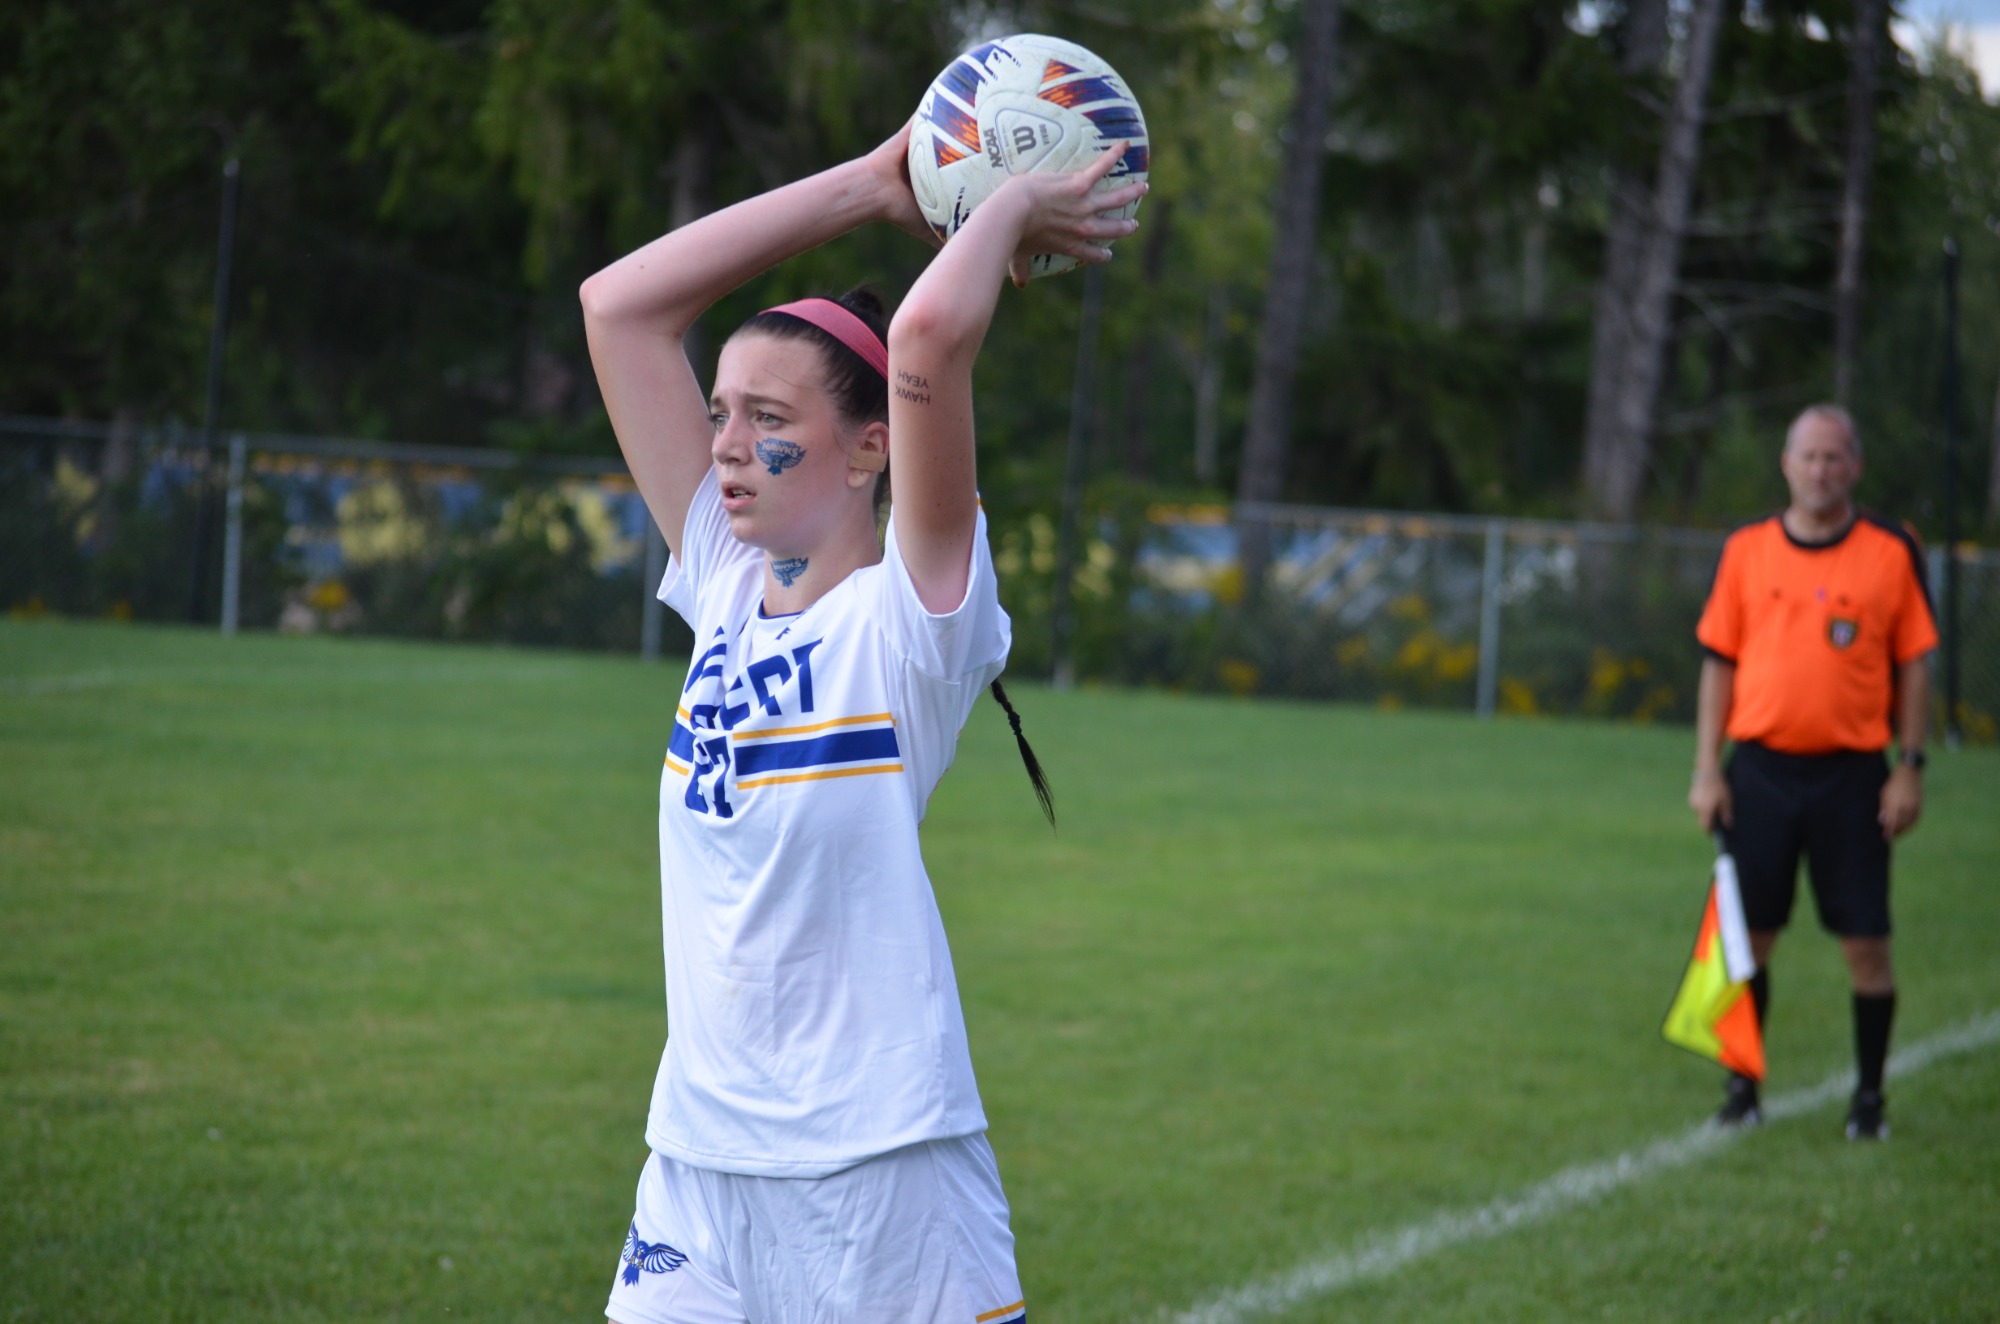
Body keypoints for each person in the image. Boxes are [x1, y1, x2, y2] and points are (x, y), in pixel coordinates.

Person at [578, 119, 1144, 1324]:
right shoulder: (724, 580)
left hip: (884, 1171)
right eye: (718, 412)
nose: (724, 447)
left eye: (764, 418)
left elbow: (929, 337)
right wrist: (871, 184)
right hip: (696, 1164)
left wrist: (995, 207)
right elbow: (618, 308)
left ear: (869, 445)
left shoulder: (915, 619)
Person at [1688, 404, 1937, 1141]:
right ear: (1786, 465)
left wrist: (1909, 768)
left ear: (1854, 467)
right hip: (1760, 773)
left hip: (1853, 775)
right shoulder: (1746, 551)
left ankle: (1868, 1103)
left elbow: (1915, 664)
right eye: (1809, 457)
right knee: (1748, 939)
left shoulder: (1890, 552)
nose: (1821, 471)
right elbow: (1718, 664)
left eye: (1835, 458)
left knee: (1865, 942)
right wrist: (1708, 769)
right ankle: (1742, 1091)